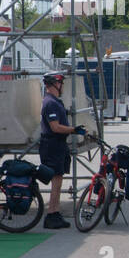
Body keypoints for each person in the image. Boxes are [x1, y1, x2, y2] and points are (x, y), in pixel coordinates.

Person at [39, 72, 86, 228]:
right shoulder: (50, 103)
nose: (63, 86)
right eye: (61, 84)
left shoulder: (54, 101)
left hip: (58, 144)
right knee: (56, 181)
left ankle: (55, 212)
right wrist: (74, 130)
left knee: (58, 181)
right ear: (55, 84)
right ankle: (52, 215)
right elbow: (55, 127)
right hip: (53, 145)